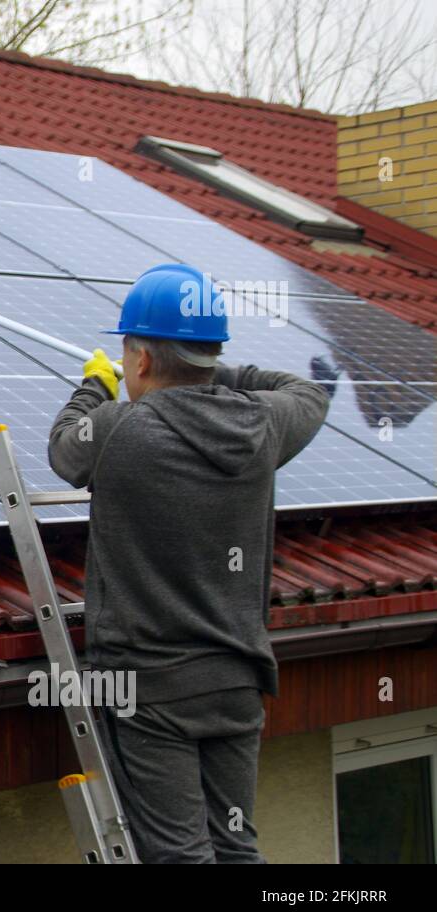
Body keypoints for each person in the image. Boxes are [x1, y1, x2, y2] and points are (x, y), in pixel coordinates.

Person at [47, 263, 329, 863]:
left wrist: (95, 384)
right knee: (235, 845)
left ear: (141, 361)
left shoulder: (122, 429)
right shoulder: (265, 423)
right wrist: (208, 370)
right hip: (237, 680)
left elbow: (65, 447)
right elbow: (306, 391)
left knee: (178, 855)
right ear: (210, 353)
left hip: (152, 688)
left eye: (129, 356)